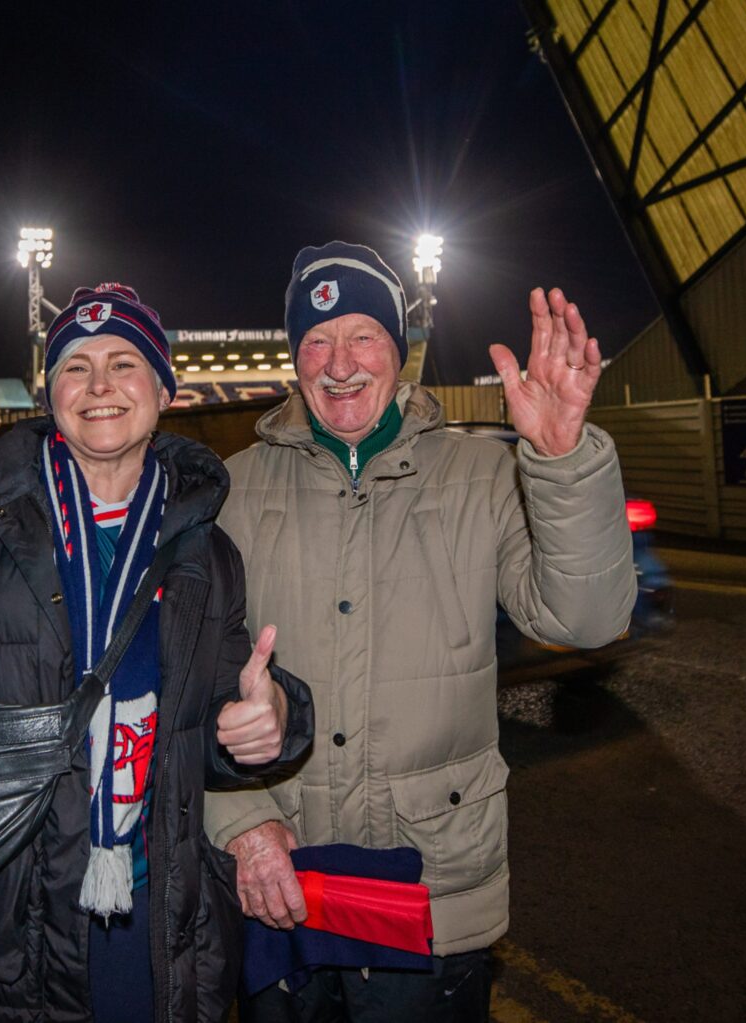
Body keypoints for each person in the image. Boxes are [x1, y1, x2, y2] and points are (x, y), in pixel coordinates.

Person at [0, 282, 313, 1022]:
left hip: (143, 914)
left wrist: (270, 718)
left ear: (165, 390)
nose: (100, 385)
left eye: (125, 363)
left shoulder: (204, 550)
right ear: (50, 396)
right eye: (75, 366)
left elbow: (209, 730)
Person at [204, 242, 637, 1022]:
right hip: (282, 885)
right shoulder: (231, 490)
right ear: (294, 359)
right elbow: (186, 680)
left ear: (399, 354)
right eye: (315, 341)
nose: (338, 363)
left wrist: (562, 458)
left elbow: (588, 617)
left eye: (362, 335)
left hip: (432, 893)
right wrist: (237, 820)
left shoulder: (484, 474)